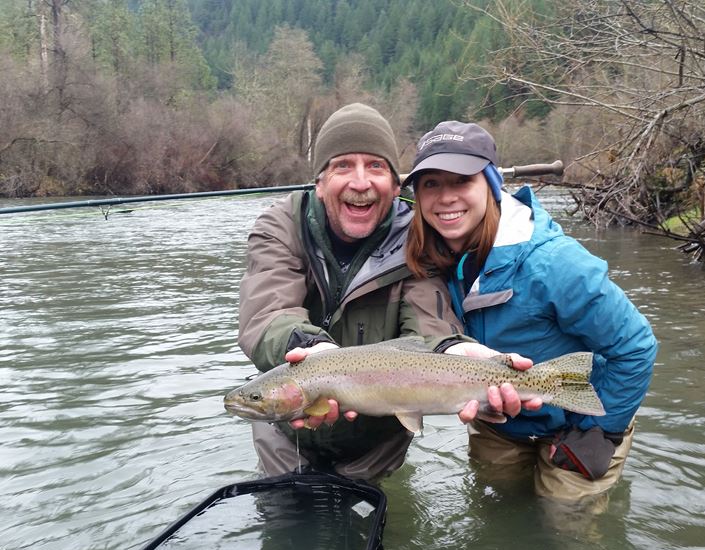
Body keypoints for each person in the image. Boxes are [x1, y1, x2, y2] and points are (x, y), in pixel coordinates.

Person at [237, 104, 537, 481]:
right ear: (319, 182)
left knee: (362, 525)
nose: (360, 182)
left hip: (379, 438)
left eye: (376, 167)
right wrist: (313, 353)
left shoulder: (418, 236)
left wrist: (452, 350)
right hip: (286, 432)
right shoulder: (279, 227)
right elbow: (266, 311)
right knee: (284, 524)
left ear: (396, 186)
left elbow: (430, 320)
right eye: (343, 165)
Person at [404, 120, 658, 500]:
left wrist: (599, 432)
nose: (445, 197)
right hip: (502, 422)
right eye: (431, 184)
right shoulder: (430, 258)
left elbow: (636, 348)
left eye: (461, 181)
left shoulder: (556, 264)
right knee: (496, 512)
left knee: (565, 530)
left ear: (490, 185)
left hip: (583, 417)